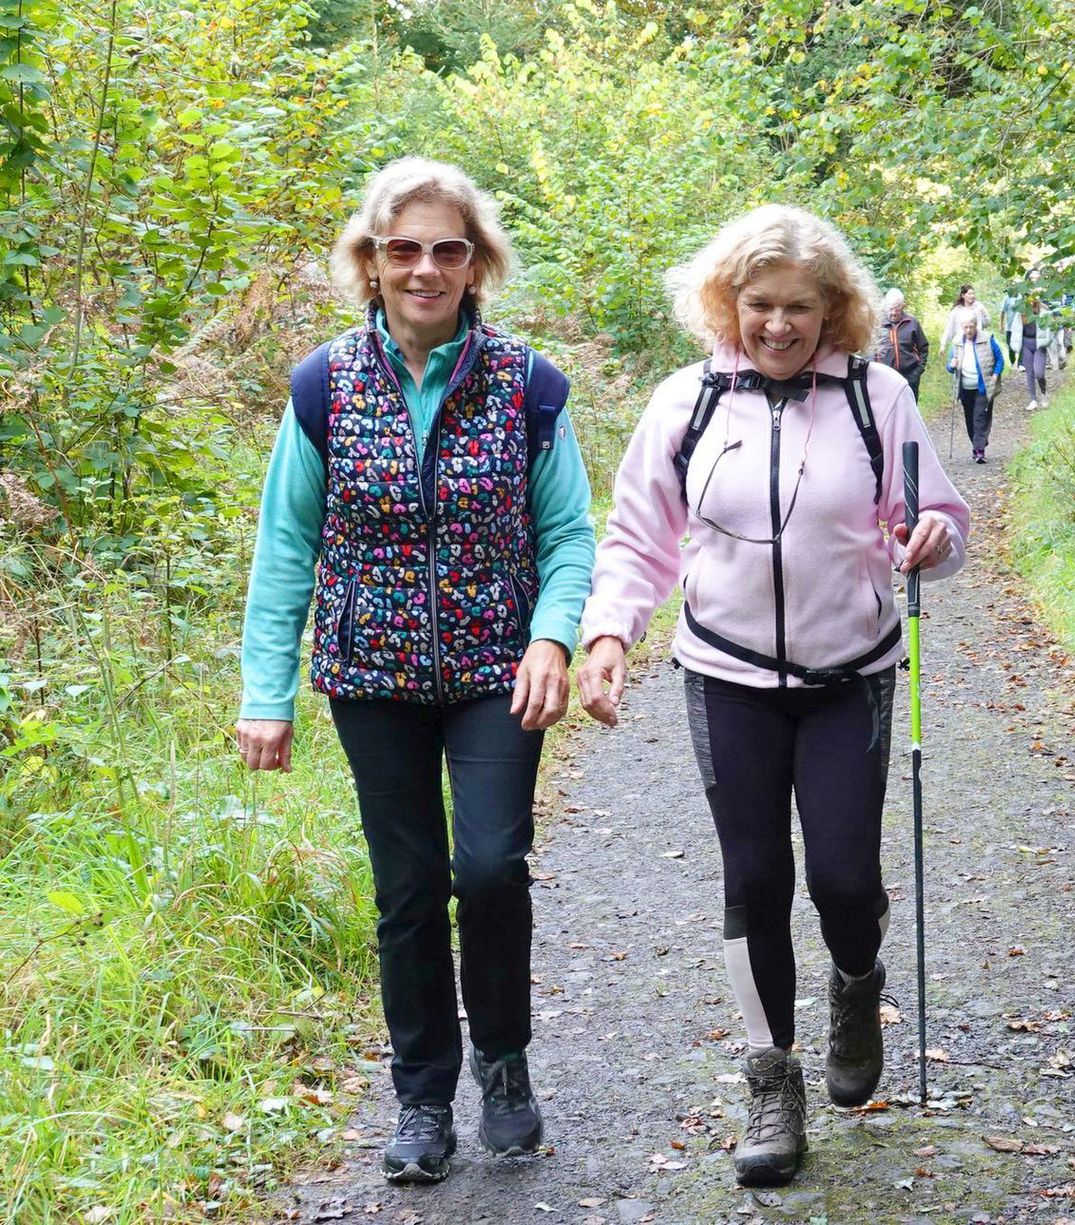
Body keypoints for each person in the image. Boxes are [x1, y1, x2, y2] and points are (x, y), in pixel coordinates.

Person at [575, 205, 970, 1188]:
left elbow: (939, 516)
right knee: (753, 878)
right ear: (726, 302)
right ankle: (771, 1079)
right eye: (759, 306)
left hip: (851, 676)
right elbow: (638, 538)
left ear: (833, 308)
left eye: (799, 307)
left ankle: (855, 977)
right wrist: (610, 632)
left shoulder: (878, 398)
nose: (779, 325)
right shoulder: (685, 404)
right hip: (727, 675)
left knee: (842, 878)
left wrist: (930, 537)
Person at [235, 157, 596, 1184]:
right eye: (404, 249)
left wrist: (551, 636)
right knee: (405, 889)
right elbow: (286, 547)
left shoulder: (527, 384)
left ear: (476, 262)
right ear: (371, 262)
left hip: (496, 670)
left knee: (487, 868)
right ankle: (423, 1098)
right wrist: (267, 695)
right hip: (370, 676)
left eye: (446, 248)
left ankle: (507, 1064)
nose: (425, 268)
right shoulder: (324, 385)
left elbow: (570, 533)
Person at [946, 315, 1004, 463]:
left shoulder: (987, 339)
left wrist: (995, 375)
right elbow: (950, 367)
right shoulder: (958, 342)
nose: (968, 330)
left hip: (983, 386)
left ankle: (980, 451)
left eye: (971, 326)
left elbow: (1000, 359)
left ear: (976, 325)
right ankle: (977, 444)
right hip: (965, 387)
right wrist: (952, 365)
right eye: (965, 327)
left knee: (979, 418)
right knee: (969, 419)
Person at [872, 287, 930, 400]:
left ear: (902, 306)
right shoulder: (877, 324)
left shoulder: (912, 323)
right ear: (886, 306)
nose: (894, 313)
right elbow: (870, 351)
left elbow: (923, 348)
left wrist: (917, 372)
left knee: (909, 412)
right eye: (891, 309)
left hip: (909, 376)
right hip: (885, 377)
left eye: (897, 309)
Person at [1006, 292, 1055, 410]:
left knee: (1039, 373)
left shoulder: (1044, 312)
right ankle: (1033, 399)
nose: (1031, 302)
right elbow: (1015, 329)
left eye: (1034, 299)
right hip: (1026, 344)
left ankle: (1043, 394)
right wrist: (1016, 345)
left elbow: (1050, 329)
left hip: (1039, 344)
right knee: (1030, 373)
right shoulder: (1020, 313)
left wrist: (1047, 341)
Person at [938, 283, 991, 357]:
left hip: (976, 343)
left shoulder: (978, 307)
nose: (972, 296)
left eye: (973, 294)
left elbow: (987, 323)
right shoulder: (956, 311)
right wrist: (943, 345)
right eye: (969, 294)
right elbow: (949, 328)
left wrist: (983, 313)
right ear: (963, 295)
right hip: (960, 344)